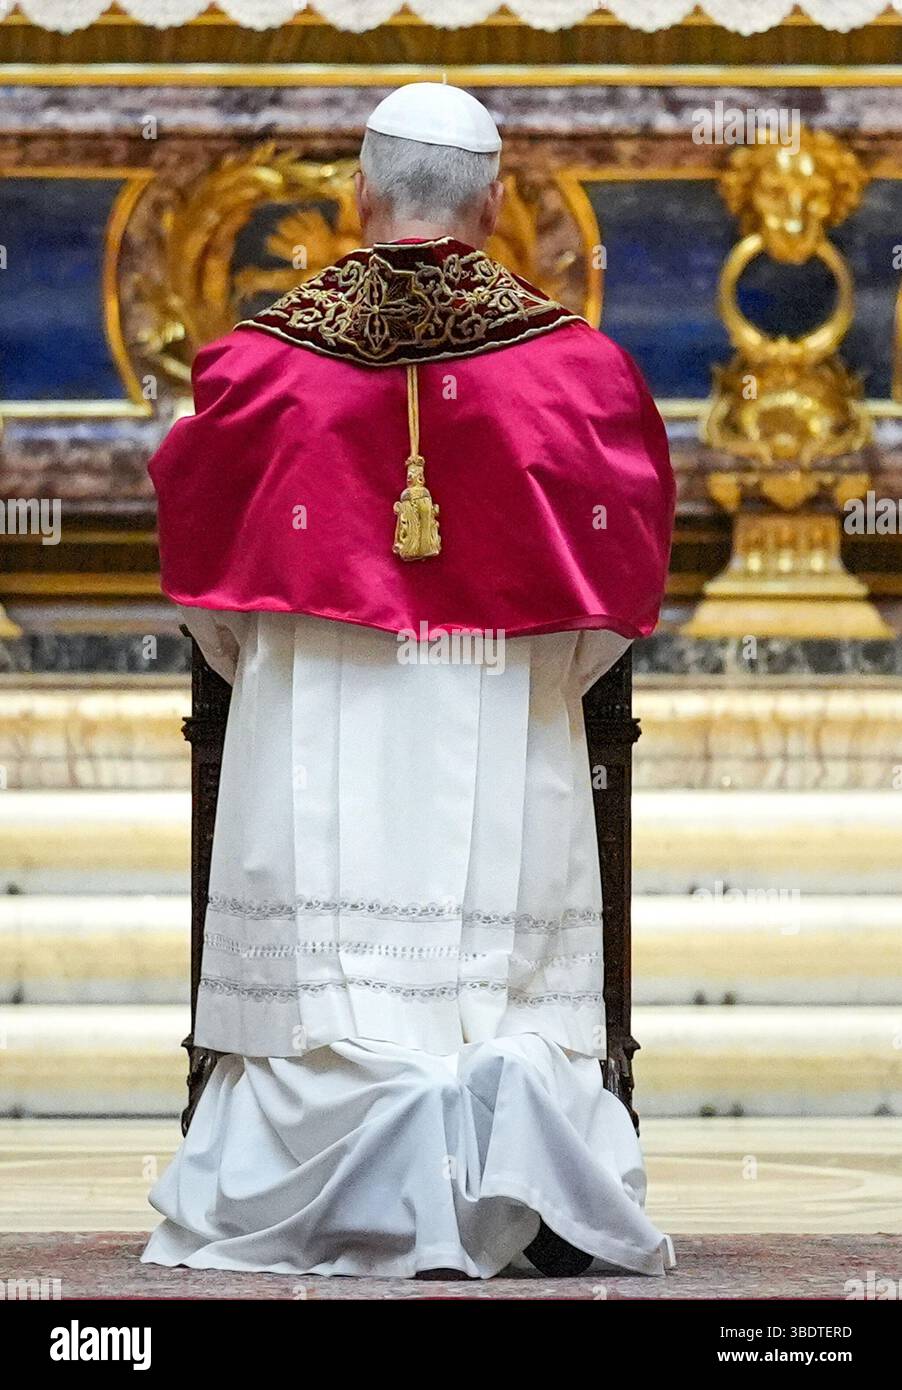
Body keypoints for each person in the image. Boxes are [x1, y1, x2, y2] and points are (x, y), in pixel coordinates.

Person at [141, 82, 675, 1280]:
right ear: (494, 203)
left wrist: (287, 646)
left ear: (358, 195)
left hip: (306, 716)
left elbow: (201, 573)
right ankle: (514, 1135)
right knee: (493, 962)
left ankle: (318, 1134)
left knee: (329, 944)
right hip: (505, 706)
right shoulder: (575, 372)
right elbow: (618, 577)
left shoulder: (256, 369)